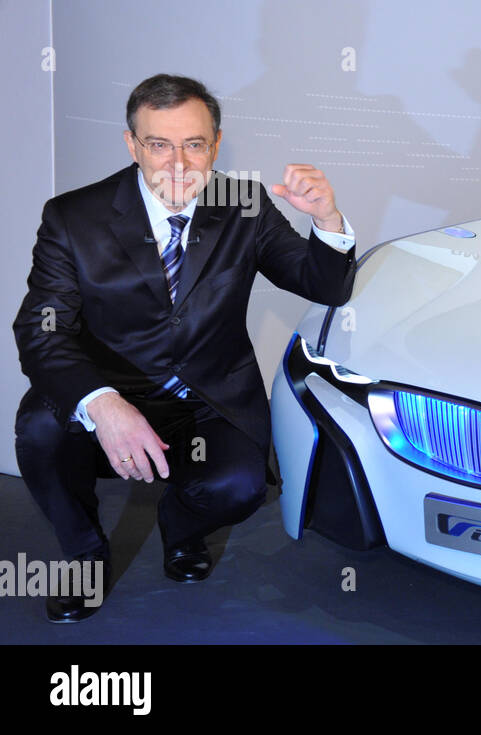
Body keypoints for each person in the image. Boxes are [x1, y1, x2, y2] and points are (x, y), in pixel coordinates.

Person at [12, 74, 358, 622]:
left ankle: (182, 528)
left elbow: (323, 285)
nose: (178, 162)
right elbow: (41, 328)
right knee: (39, 429)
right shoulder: (73, 216)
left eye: (193, 144)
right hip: (114, 390)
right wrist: (102, 403)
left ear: (215, 144)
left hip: (207, 398)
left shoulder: (243, 203)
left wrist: (327, 221)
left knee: (241, 488)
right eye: (158, 144)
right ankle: (84, 556)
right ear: (132, 144)